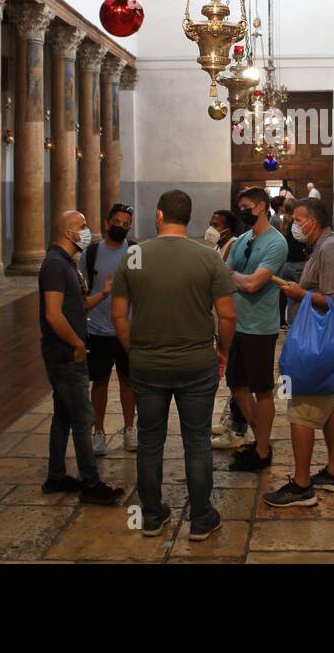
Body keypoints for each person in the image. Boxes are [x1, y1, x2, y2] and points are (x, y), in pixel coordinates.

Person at [112, 189, 236, 540]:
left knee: (150, 440)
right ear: (189, 217)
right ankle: (200, 518)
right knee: (196, 440)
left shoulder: (134, 256)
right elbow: (227, 315)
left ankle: (151, 516)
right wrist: (223, 350)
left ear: (159, 216)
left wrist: (133, 350)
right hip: (197, 362)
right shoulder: (208, 258)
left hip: (147, 363)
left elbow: (118, 315)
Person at [267, 197, 334, 508]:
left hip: (320, 347)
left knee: (302, 411)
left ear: (313, 223)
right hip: (325, 344)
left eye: (298, 218)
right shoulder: (325, 246)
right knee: (328, 407)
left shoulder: (329, 250)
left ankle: (302, 486)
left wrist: (300, 293)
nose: (294, 223)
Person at [38, 210, 125, 505]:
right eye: (83, 226)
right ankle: (91, 484)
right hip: (64, 352)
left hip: (67, 349)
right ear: (68, 233)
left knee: (63, 414)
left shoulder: (66, 263)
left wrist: (104, 294)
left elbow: (76, 306)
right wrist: (76, 343)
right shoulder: (54, 264)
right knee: (83, 416)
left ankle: (56, 476)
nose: (87, 232)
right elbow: (53, 314)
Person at [222, 187, 288, 472]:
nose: (243, 211)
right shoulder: (243, 239)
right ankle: (261, 438)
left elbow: (252, 284)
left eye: (247, 206)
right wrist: (232, 274)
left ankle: (261, 451)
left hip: (260, 326)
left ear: (261, 207)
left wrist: (231, 274)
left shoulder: (276, 242)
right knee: (236, 384)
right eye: (240, 207)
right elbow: (224, 272)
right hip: (237, 322)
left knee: (261, 389)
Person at [84, 203, 137, 455]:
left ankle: (129, 429)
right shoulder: (92, 252)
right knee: (100, 383)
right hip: (98, 329)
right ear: (107, 223)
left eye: (126, 224)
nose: (121, 227)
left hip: (127, 329)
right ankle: (99, 432)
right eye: (117, 223)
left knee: (129, 382)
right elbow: (82, 288)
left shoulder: (135, 251)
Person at [209, 207, 250, 448]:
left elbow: (225, 276)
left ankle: (239, 429)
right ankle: (230, 418)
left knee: (238, 377)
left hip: (233, 318)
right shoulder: (217, 247)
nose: (212, 228)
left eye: (216, 224)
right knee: (232, 377)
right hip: (219, 317)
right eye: (211, 223)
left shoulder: (234, 245)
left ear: (228, 228)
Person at [279, 198, 311, 326]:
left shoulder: (283, 222)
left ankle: (291, 325)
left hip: (286, 264)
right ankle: (296, 326)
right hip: (298, 264)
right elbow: (304, 239)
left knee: (290, 299)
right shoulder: (295, 223)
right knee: (297, 298)